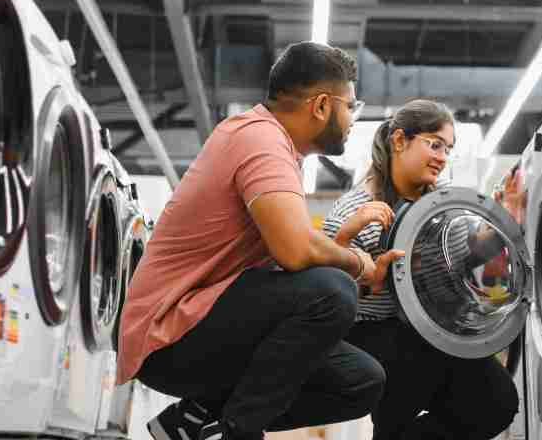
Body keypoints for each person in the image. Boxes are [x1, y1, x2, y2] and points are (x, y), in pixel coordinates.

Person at [118, 42, 403, 440]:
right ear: (321, 105)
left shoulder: (281, 150)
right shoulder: (260, 140)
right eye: (350, 105)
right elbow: (296, 251)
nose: (354, 118)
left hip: (207, 326)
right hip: (168, 335)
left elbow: (289, 271)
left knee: (361, 381)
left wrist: (356, 265)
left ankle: (196, 419)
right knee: (332, 291)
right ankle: (235, 432)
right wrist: (356, 262)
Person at [321, 99, 519, 440]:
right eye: (435, 144)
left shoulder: (444, 202)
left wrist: (505, 224)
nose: (443, 157)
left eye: (448, 149)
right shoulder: (355, 210)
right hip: (369, 336)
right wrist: (356, 255)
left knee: (497, 401)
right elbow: (324, 292)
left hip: (431, 330)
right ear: (400, 141)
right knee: (415, 352)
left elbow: (462, 263)